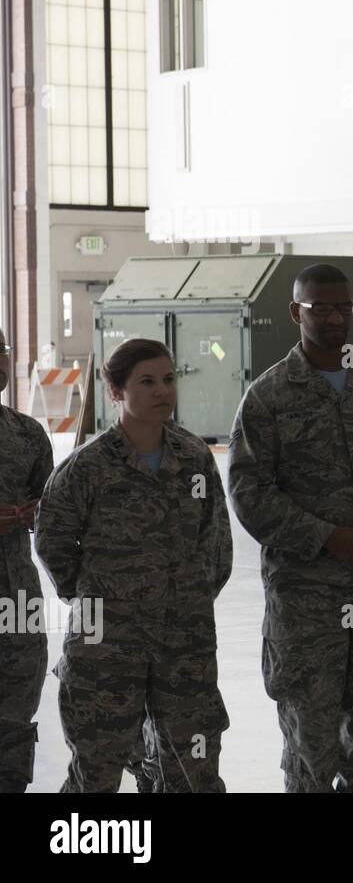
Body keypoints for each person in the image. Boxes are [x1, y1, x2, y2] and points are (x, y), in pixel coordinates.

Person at [227, 264, 353, 792]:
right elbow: (249, 494)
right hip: (308, 603)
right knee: (312, 752)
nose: (335, 318)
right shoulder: (269, 397)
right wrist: (325, 536)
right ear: (295, 312)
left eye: (343, 308)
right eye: (321, 308)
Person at [35, 339, 231, 792]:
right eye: (147, 381)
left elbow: (216, 543)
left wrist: (186, 595)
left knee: (194, 768)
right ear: (116, 391)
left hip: (185, 643)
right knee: (97, 772)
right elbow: (54, 544)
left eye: (168, 379)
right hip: (107, 647)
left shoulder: (195, 459)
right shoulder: (87, 468)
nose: (162, 390)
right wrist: (101, 596)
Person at [0, 327, 54, 792]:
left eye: (0, 351)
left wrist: (35, 513)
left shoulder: (27, 434)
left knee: (18, 703)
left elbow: (54, 513)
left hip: (17, 594)